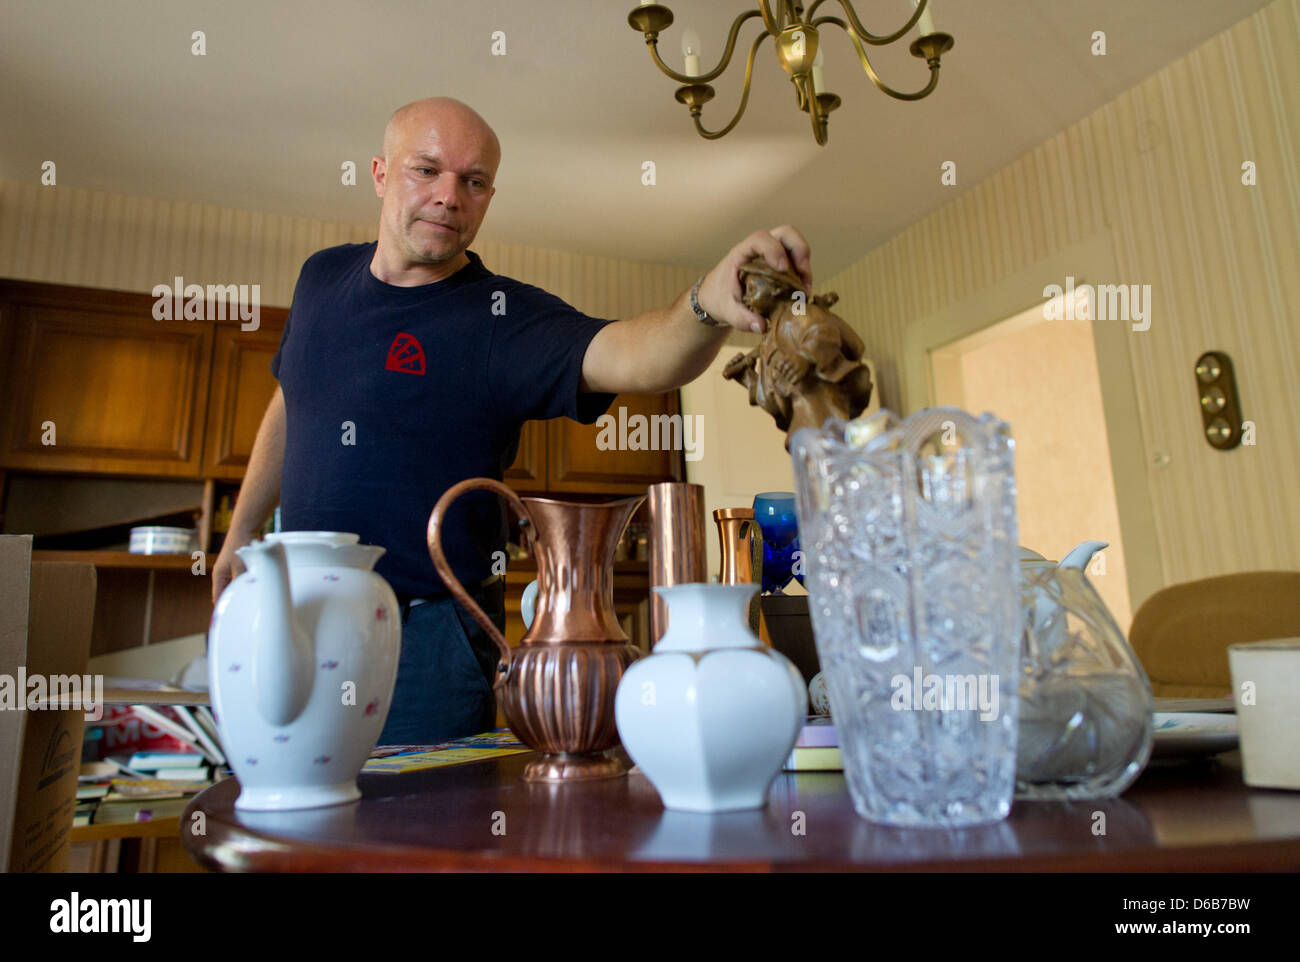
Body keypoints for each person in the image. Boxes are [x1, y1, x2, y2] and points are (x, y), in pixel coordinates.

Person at [210, 97, 816, 744]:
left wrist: (706, 303)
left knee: (417, 841)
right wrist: (239, 531)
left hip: (427, 640)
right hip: (292, 616)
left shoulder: (503, 319)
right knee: (292, 831)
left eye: (473, 182)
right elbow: (290, 396)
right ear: (381, 175)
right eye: (427, 170)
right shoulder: (321, 278)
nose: (450, 196)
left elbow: (637, 358)